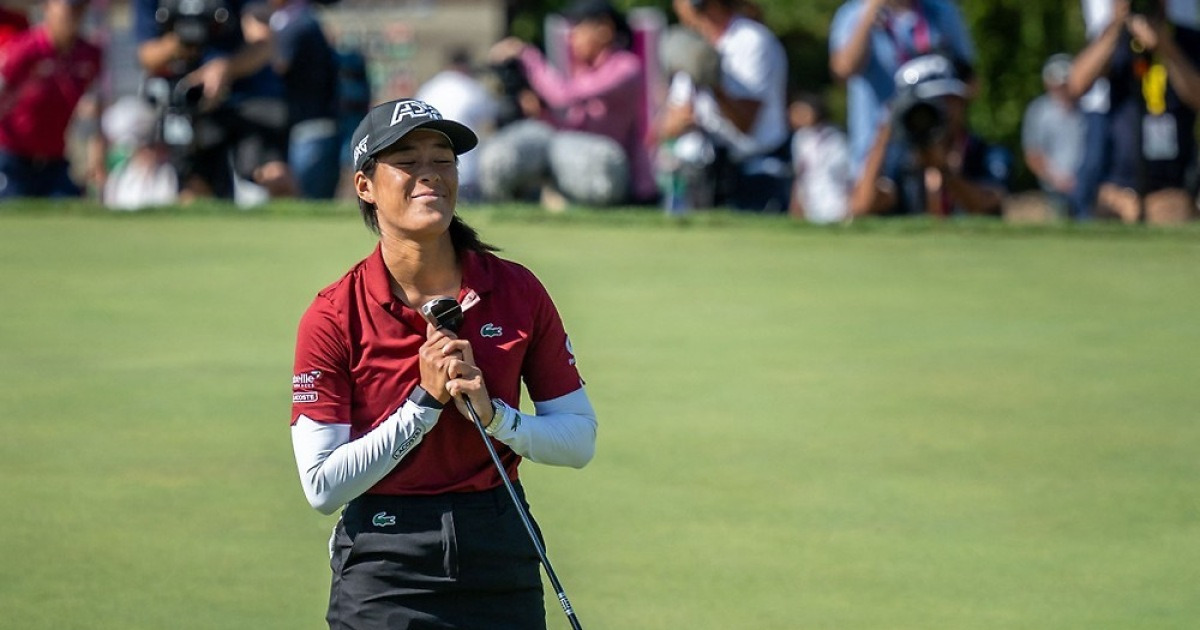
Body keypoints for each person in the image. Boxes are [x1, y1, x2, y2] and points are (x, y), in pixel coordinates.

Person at [290, 98, 597, 628]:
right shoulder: (334, 314)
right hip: (386, 562)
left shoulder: (516, 289)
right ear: (365, 186)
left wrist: (497, 417)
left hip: (500, 542)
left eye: (443, 160)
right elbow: (323, 486)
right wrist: (423, 405)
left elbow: (578, 439)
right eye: (407, 162)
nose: (429, 175)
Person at [483, 0, 654, 206]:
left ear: (604, 28)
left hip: (612, 174)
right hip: (580, 170)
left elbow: (563, 96)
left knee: (565, 148)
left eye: (579, 27)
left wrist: (527, 56)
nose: (572, 36)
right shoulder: (584, 70)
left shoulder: (626, 67)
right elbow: (570, 123)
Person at [134, 0, 295, 200]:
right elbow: (146, 55)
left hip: (251, 95)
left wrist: (225, 68)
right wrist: (180, 41)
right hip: (192, 101)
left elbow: (262, 42)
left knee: (270, 176)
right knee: (194, 188)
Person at [1068, 0, 1200, 224]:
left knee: (1172, 212)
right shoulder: (1113, 39)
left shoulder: (1187, 39)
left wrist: (1165, 47)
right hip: (1118, 185)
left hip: (1172, 187)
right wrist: (1116, 25)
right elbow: (1076, 84)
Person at [658, 0, 791, 212]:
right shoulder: (694, 43)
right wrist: (677, 123)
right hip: (706, 176)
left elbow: (746, 124)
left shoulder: (751, 40)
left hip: (754, 175)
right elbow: (668, 124)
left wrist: (714, 85)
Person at [850, 53, 1010, 217]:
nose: (944, 110)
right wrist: (883, 134)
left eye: (949, 99)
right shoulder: (898, 160)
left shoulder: (984, 153)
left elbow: (988, 204)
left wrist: (944, 171)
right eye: (931, 103)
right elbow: (861, 207)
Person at [829, 0, 974, 179]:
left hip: (934, 139)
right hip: (876, 144)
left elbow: (970, 80)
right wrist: (868, 14)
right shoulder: (853, 13)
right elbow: (844, 70)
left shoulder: (941, 10)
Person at [0, 0, 102, 199]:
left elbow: (91, 109)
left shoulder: (89, 55)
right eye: (68, 7)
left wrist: (95, 158)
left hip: (53, 161)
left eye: (80, 7)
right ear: (47, 7)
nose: (74, 14)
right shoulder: (25, 49)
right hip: (12, 159)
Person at [258, 0, 340, 199]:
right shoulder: (297, 19)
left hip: (310, 128)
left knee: (308, 200)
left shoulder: (297, 22)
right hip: (304, 127)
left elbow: (278, 64)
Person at [416, 46, 499, 203]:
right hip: (465, 169)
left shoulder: (429, 88)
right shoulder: (471, 88)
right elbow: (493, 117)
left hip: (428, 170)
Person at [1022, 53, 1086, 219]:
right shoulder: (1039, 111)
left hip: (1087, 186)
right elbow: (1033, 154)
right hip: (1053, 191)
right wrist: (1058, 180)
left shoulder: (1087, 108)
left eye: (1065, 82)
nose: (1062, 87)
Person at [788, 91, 852, 223]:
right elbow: (800, 174)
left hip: (835, 195)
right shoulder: (800, 139)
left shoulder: (835, 137)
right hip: (811, 197)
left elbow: (843, 170)